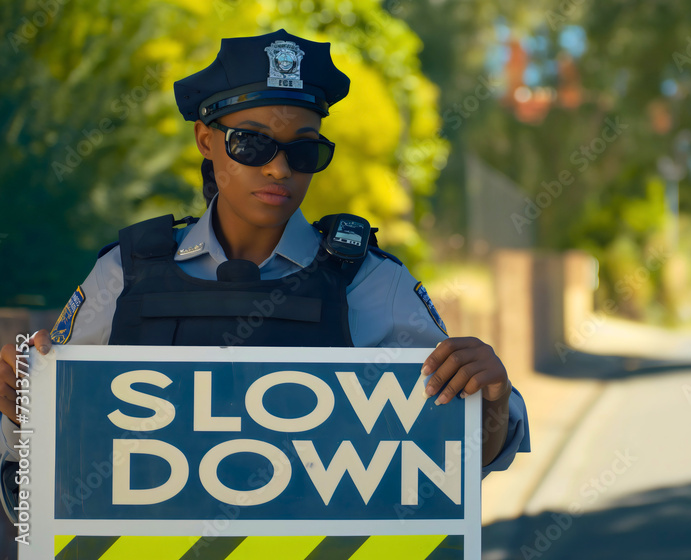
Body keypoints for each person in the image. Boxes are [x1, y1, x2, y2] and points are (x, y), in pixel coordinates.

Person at [0, 29, 529, 527]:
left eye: (303, 150)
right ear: (206, 141)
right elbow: (36, 475)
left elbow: (455, 461)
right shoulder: (124, 274)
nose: (279, 169)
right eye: (252, 144)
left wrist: (493, 398)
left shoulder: (370, 284)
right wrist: (23, 407)